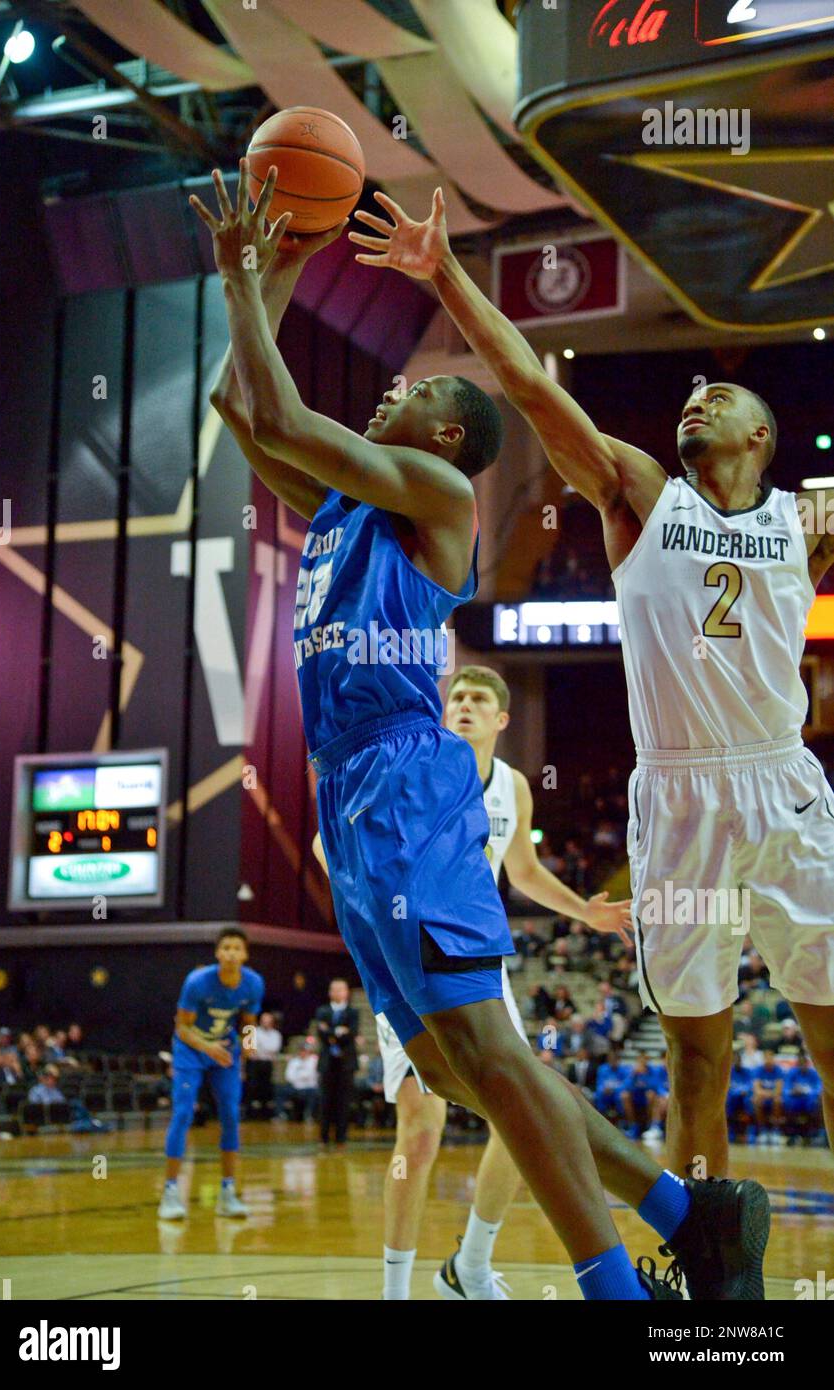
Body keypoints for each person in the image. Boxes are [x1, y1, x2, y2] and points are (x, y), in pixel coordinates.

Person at [190, 164, 770, 1302]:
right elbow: (241, 410)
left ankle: (622, 1289)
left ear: (444, 433)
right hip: (347, 798)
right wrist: (274, 278)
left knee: (493, 1057)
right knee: (458, 1068)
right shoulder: (351, 506)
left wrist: (247, 284)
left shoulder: (437, 500)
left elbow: (290, 415)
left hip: (408, 786)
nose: (380, 403)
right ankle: (684, 1213)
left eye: (406, 400)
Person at [350, 183, 834, 1184]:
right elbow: (530, 386)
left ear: (761, 440)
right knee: (698, 1059)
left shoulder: (805, 519)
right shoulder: (637, 493)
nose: (699, 391)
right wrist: (443, 271)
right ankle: (705, 1270)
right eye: (691, 390)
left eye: (725, 396)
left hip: (786, 788)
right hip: (683, 795)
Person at [314, 662, 632, 1299]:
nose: (462, 703)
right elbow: (330, 847)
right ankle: (395, 1292)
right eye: (455, 694)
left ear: (501, 719)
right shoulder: (416, 764)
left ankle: (471, 1266)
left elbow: (525, 872)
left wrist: (586, 912)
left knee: (525, 1113)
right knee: (421, 1129)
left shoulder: (513, 786)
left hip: (478, 963)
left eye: (478, 698)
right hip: (410, 958)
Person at [157, 927, 264, 1220]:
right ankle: (169, 1191)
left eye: (236, 948)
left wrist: (250, 1046)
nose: (231, 953)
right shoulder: (197, 982)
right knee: (182, 1114)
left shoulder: (253, 983)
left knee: (230, 1114)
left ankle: (228, 1192)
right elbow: (182, 1027)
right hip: (190, 1049)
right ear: (217, 953)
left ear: (245, 954)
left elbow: (249, 1022)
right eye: (225, 947)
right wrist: (208, 1048)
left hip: (224, 1050)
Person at [314, 980, 359, 1147]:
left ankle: (341, 1138)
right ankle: (323, 1137)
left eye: (341, 989)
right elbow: (321, 1034)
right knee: (325, 1101)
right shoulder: (322, 1011)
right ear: (329, 992)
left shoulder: (353, 1012)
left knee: (344, 1101)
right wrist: (339, 1032)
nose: (338, 992)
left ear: (347, 992)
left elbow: (351, 1034)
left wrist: (331, 1032)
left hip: (346, 1064)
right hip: (327, 1063)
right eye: (334, 989)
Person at [243, 1011, 283, 1116]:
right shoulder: (253, 1032)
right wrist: (262, 1050)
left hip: (267, 1064)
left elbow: (274, 1049)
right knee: (251, 1087)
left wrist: (260, 1049)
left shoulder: (276, 1034)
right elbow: (250, 1050)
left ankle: (264, 1113)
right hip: (254, 1063)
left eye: (268, 1021)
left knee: (266, 1088)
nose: (266, 1023)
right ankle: (248, 1112)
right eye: (264, 1020)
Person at [783, 1053, 823, 1144]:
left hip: (809, 1099)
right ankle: (792, 1134)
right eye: (800, 1063)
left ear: (807, 1063)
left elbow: (818, 1088)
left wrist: (806, 1091)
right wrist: (792, 1091)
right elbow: (786, 1089)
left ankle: (810, 1134)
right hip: (795, 1099)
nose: (802, 1065)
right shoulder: (792, 1072)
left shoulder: (813, 1073)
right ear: (797, 1064)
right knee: (787, 1103)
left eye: (804, 1063)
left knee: (815, 1104)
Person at [277, 1042, 319, 1122]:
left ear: (309, 1052)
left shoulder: (314, 1060)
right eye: (302, 1050)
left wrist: (299, 1076)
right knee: (279, 1089)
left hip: (309, 1088)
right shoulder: (294, 1061)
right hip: (295, 1087)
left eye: (305, 1051)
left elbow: (311, 1075)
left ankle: (308, 1114)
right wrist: (302, 1077)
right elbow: (289, 1077)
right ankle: (280, 1114)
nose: (303, 1052)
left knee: (315, 1092)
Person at [752, 1052, 786, 1146]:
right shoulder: (758, 1070)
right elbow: (756, 1089)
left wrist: (768, 1094)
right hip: (763, 1096)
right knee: (756, 1100)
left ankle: (775, 1130)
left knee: (778, 1100)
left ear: (773, 1060)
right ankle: (762, 1130)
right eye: (767, 1059)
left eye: (770, 1059)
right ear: (764, 1060)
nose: (769, 1061)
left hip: (773, 1096)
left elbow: (779, 1090)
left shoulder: (778, 1070)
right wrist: (768, 1094)